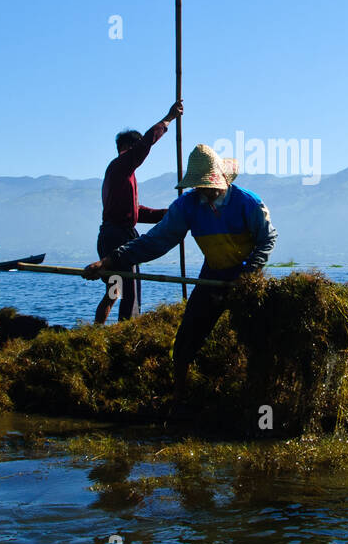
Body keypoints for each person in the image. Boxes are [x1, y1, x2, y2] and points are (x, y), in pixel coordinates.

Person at [81, 143, 276, 404]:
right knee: (186, 338)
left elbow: (267, 239)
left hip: (246, 278)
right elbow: (156, 241)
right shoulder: (188, 206)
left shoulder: (247, 203)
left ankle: (258, 397)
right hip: (213, 273)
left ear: (220, 180)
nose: (202, 191)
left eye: (206, 185)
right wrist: (110, 260)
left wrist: (248, 273)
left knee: (255, 338)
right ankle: (180, 398)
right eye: (198, 186)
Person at [96, 101, 183, 324]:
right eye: (130, 149)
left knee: (115, 292)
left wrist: (170, 212)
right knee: (128, 292)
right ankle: (127, 334)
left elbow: (135, 212)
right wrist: (168, 118)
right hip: (117, 239)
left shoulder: (121, 174)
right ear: (126, 149)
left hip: (110, 236)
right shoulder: (121, 165)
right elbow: (146, 143)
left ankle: (98, 330)